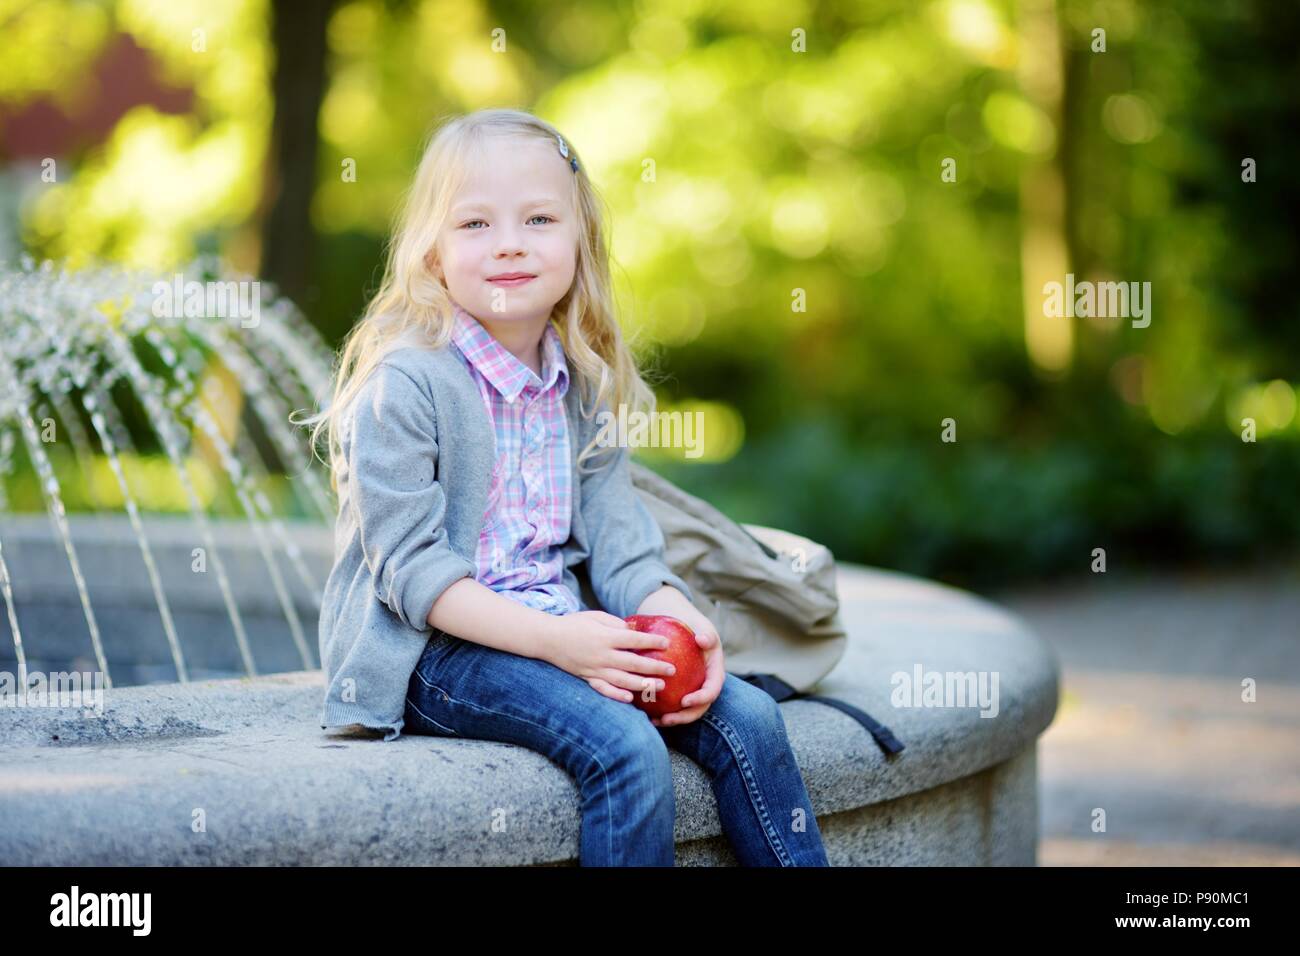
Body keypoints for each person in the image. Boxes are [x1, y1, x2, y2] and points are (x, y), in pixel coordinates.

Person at [298, 108, 829, 867]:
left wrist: (676, 616)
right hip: (436, 653)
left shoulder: (581, 383)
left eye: (539, 218)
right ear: (433, 254)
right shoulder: (407, 386)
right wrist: (558, 643)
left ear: (580, 243)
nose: (509, 242)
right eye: (475, 224)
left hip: (561, 626)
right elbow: (413, 575)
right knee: (624, 749)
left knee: (748, 718)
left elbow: (624, 549)